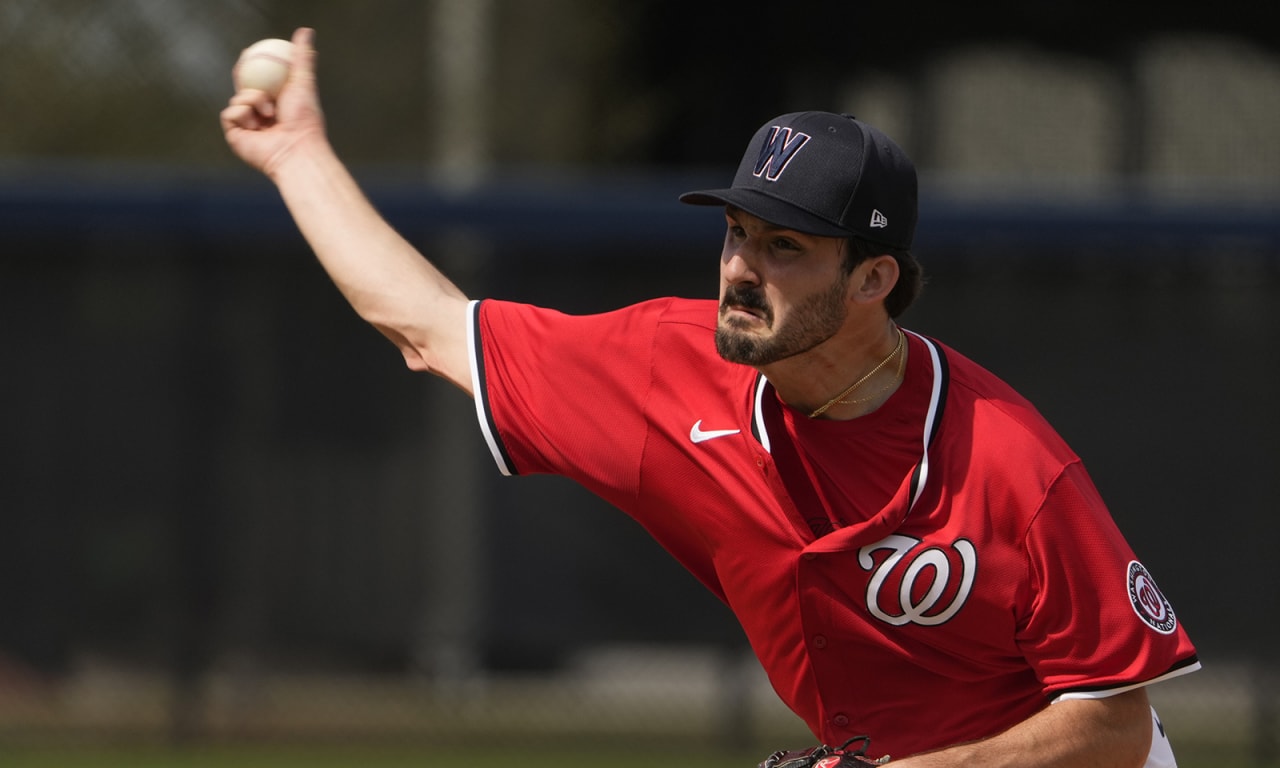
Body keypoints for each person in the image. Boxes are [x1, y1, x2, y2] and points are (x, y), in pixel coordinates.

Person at [222, 28, 1200, 768]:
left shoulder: (1006, 463)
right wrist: (298, 156)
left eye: (785, 249)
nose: (739, 269)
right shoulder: (666, 367)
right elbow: (428, 324)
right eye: (736, 232)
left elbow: (1112, 725)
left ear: (873, 280)